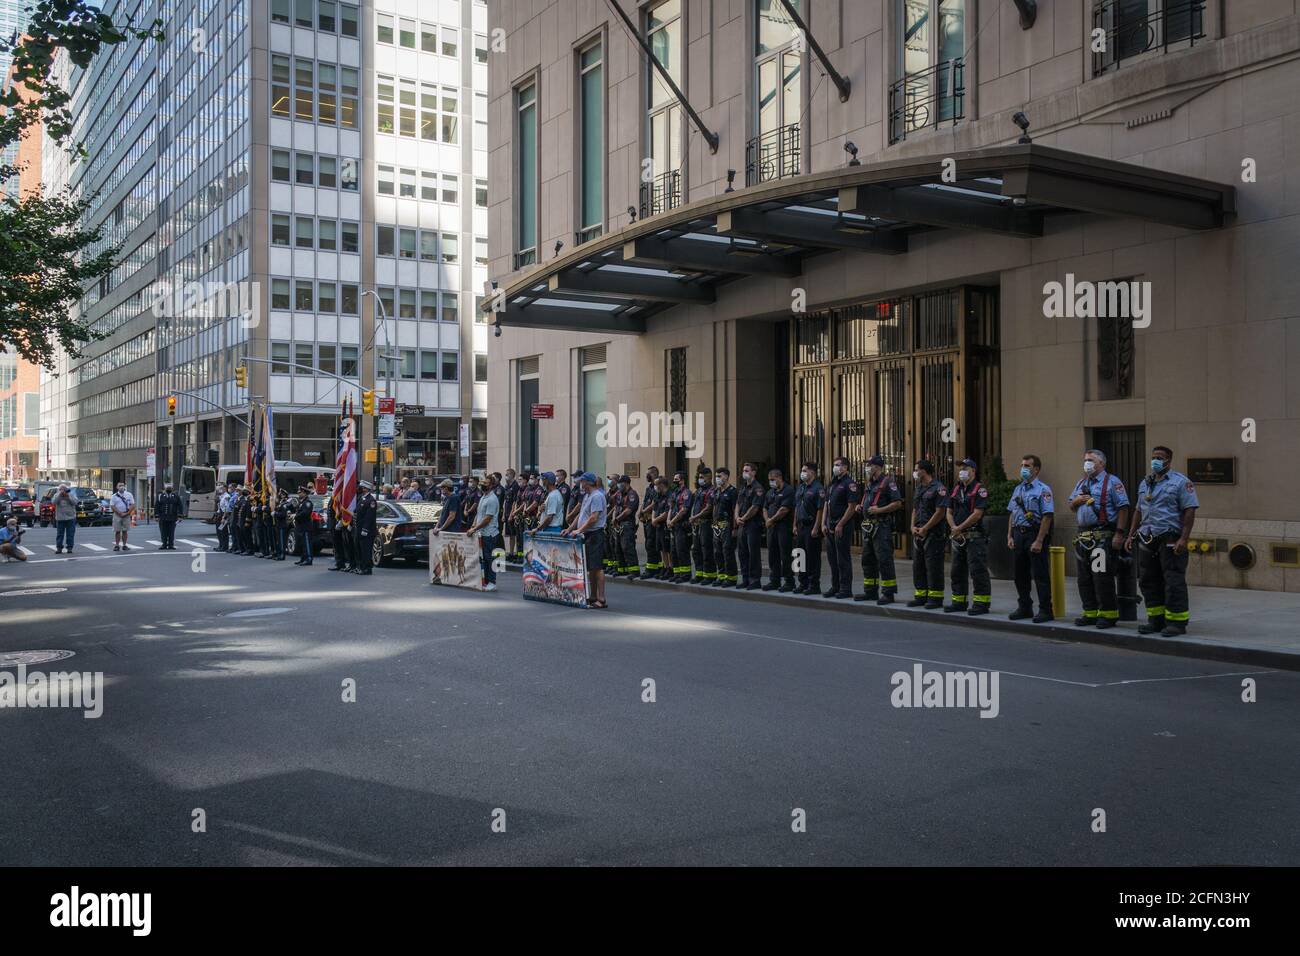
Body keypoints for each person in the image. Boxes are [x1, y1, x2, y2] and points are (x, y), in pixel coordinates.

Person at [1126, 445, 1198, 637]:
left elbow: (1190, 510)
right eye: (1154, 457)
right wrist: (1131, 534)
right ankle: (1155, 620)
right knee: (1149, 580)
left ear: (1169, 460)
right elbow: (1138, 510)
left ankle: (1176, 622)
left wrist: (1184, 538)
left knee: (1173, 580)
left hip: (1170, 537)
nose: (1155, 461)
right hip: (1147, 537)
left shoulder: (1181, 482)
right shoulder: (1146, 483)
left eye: (1160, 457)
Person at [1069, 449, 1130, 629]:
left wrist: (1119, 533)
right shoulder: (1081, 482)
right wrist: (1077, 501)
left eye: (1091, 460)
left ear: (1101, 464)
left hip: (1101, 538)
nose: (1087, 463)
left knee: (1101, 577)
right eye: (1086, 460)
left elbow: (1124, 508)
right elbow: (1071, 505)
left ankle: (1108, 614)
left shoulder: (1112, 482)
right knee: (1084, 578)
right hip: (1083, 538)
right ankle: (1090, 613)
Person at [1007, 454, 1055, 623]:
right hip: (1019, 535)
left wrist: (1040, 540)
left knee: (1040, 574)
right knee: (1020, 575)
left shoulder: (1043, 489)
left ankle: (1045, 610)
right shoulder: (1018, 489)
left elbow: (1047, 517)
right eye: (1022, 465)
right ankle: (1024, 607)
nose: (1023, 469)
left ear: (1036, 469)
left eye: (1027, 466)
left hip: (1034, 534)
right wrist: (1010, 535)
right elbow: (1013, 513)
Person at [946, 458, 991, 615]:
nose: (962, 471)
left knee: (977, 570)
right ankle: (959, 602)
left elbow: (977, 514)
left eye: (965, 468)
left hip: (974, 536)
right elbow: (949, 511)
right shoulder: (956, 489)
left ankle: (981, 604)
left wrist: (959, 527)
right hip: (958, 537)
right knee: (957, 571)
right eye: (960, 468)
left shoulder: (980, 489)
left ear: (973, 471)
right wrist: (953, 527)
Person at [856, 455, 903, 605]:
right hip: (868, 527)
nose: (867, 467)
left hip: (881, 526)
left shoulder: (888, 482)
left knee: (884, 560)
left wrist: (880, 510)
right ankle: (870, 591)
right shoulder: (869, 482)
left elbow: (897, 503)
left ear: (877, 466)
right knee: (867, 560)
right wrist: (860, 506)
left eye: (869, 465)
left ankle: (888, 594)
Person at [564, 472, 608, 608]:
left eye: (582, 481)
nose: (580, 484)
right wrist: (570, 529)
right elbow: (581, 515)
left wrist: (579, 530)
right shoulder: (587, 496)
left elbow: (593, 518)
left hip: (595, 534)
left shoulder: (597, 496)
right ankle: (593, 596)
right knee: (591, 568)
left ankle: (601, 599)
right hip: (588, 535)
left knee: (597, 567)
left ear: (588, 482)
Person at [908, 460, 948, 610]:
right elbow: (915, 509)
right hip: (918, 533)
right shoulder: (919, 488)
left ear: (924, 471)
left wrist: (926, 528)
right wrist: (912, 526)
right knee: (918, 566)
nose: (915, 472)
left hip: (933, 534)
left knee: (933, 567)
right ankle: (920, 596)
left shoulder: (939, 488)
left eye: (916, 469)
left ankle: (935, 599)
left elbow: (940, 512)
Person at [822, 457, 861, 599]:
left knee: (842, 559)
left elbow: (851, 507)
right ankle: (835, 586)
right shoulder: (832, 484)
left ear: (845, 468)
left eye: (838, 465)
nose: (835, 467)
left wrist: (840, 524)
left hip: (842, 526)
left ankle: (845, 589)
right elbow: (826, 504)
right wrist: (823, 523)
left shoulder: (850, 484)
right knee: (832, 559)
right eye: (834, 465)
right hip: (830, 526)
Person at [466, 473, 501, 591]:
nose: (482, 485)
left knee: (490, 558)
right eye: (482, 483)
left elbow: (487, 518)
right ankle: (485, 581)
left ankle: (492, 582)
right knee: (484, 559)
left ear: (491, 485)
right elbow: (479, 514)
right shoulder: (483, 497)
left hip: (489, 533)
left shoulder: (492, 499)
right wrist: (473, 525)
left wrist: (475, 529)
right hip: (481, 533)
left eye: (485, 483)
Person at [793, 463, 824, 595]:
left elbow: (820, 509)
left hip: (811, 526)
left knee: (812, 557)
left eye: (805, 470)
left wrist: (816, 527)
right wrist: (794, 524)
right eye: (802, 470)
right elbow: (797, 507)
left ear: (812, 472)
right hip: (800, 526)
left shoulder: (818, 488)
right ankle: (802, 582)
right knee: (800, 555)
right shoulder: (801, 487)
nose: (802, 473)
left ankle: (813, 585)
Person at [735, 463, 765, 590]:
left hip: (752, 525)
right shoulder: (743, 487)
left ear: (753, 472)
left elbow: (755, 507)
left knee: (753, 554)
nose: (744, 472)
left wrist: (743, 518)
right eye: (743, 470)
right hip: (742, 524)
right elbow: (737, 503)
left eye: (747, 470)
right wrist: (737, 517)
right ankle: (745, 578)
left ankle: (755, 580)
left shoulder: (758, 488)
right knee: (742, 553)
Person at [711, 467, 738, 587]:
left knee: (727, 551)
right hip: (717, 524)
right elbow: (714, 507)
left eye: (719, 476)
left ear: (726, 477)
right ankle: (721, 576)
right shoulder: (717, 491)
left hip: (727, 524)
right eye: (716, 476)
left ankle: (731, 578)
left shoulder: (733, 491)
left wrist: (734, 528)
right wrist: (714, 522)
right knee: (717, 552)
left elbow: (735, 510)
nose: (717, 478)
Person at [688, 468, 715, 584]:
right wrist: (692, 517)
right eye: (699, 477)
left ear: (709, 478)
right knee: (696, 550)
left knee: (706, 549)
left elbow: (708, 508)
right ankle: (699, 573)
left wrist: (695, 517)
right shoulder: (698, 491)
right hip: (696, 524)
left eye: (702, 478)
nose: (700, 480)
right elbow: (694, 506)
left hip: (706, 524)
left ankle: (709, 575)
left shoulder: (712, 491)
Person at [667, 470, 692, 582]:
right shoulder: (674, 492)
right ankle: (677, 573)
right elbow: (671, 508)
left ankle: (685, 575)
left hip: (682, 526)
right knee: (673, 551)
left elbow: (684, 510)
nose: (674, 481)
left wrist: (673, 520)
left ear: (682, 480)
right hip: (673, 526)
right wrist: (668, 520)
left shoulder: (686, 493)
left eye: (676, 479)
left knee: (682, 550)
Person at [613, 474, 640, 577]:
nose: (619, 485)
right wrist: (614, 520)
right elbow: (616, 507)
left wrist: (617, 519)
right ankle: (622, 569)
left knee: (627, 548)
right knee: (618, 548)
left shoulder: (632, 494)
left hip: (627, 524)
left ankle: (634, 571)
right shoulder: (619, 494)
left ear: (626, 483)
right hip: (618, 524)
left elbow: (628, 510)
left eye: (620, 483)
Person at [637, 467, 661, 579]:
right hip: (646, 520)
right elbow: (645, 501)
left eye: (648, 474)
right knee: (649, 544)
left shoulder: (657, 487)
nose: (647, 476)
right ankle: (656, 568)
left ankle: (651, 569)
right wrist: (640, 512)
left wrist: (644, 511)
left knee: (651, 545)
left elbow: (655, 502)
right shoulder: (649, 488)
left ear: (654, 474)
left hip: (653, 520)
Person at [352, 480, 377, 574]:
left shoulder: (371, 501)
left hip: (367, 530)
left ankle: (367, 568)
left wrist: (365, 529)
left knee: (366, 550)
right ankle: (361, 567)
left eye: (363, 488)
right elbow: (356, 512)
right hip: (358, 528)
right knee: (359, 549)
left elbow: (369, 517)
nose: (361, 489)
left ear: (367, 489)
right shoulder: (362, 499)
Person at [651, 474, 673, 580]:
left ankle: (670, 568)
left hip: (665, 526)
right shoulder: (658, 496)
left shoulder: (669, 495)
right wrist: (653, 519)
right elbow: (654, 509)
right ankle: (665, 567)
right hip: (658, 526)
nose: (655, 487)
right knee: (661, 548)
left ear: (662, 485)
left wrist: (656, 520)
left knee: (667, 548)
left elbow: (667, 512)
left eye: (656, 485)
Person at [154, 482, 181, 550]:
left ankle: (171, 545)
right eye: (167, 487)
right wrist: (156, 516)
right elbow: (157, 506)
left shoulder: (176, 496)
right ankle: (164, 544)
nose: (169, 488)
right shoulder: (160, 496)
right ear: (165, 488)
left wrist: (180, 516)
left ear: (172, 488)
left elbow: (180, 506)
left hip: (173, 517)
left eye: (170, 487)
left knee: (171, 532)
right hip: (162, 517)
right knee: (163, 532)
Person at [52, 483, 78, 554]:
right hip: (60, 518)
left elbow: (75, 502)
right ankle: (59, 548)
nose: (62, 491)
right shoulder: (56, 495)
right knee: (60, 534)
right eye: (60, 489)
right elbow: (54, 502)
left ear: (66, 490)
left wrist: (68, 496)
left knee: (70, 534)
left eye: (64, 489)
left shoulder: (71, 495)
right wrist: (60, 495)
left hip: (71, 517)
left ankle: (69, 547)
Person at [110, 482, 135, 551]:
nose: (121, 487)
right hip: (117, 515)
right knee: (117, 531)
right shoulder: (114, 496)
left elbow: (132, 505)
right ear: (117, 487)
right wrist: (119, 513)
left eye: (123, 485)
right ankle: (117, 545)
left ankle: (124, 545)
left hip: (126, 515)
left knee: (125, 531)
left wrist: (127, 513)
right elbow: (112, 506)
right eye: (120, 486)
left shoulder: (129, 494)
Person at [293, 487, 315, 565]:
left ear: (304, 493)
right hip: (301, 527)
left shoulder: (307, 503)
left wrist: (295, 516)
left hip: (306, 526)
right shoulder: (301, 503)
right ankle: (303, 558)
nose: (298, 494)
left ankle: (309, 558)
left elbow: (305, 513)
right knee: (302, 543)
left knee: (307, 543)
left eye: (300, 492)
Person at [215, 483, 233, 552]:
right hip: (219, 514)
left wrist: (224, 517)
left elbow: (226, 508)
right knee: (219, 531)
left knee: (223, 531)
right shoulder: (221, 496)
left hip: (223, 515)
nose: (220, 489)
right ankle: (220, 545)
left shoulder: (226, 496)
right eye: (220, 488)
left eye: (221, 488)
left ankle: (224, 546)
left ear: (225, 488)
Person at [273, 489, 290, 561]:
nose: (280, 495)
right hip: (278, 524)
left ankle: (282, 555)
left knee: (282, 541)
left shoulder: (285, 504)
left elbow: (283, 514)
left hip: (282, 524)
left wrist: (275, 514)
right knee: (279, 540)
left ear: (284, 495)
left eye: (281, 494)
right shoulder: (280, 503)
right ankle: (279, 554)